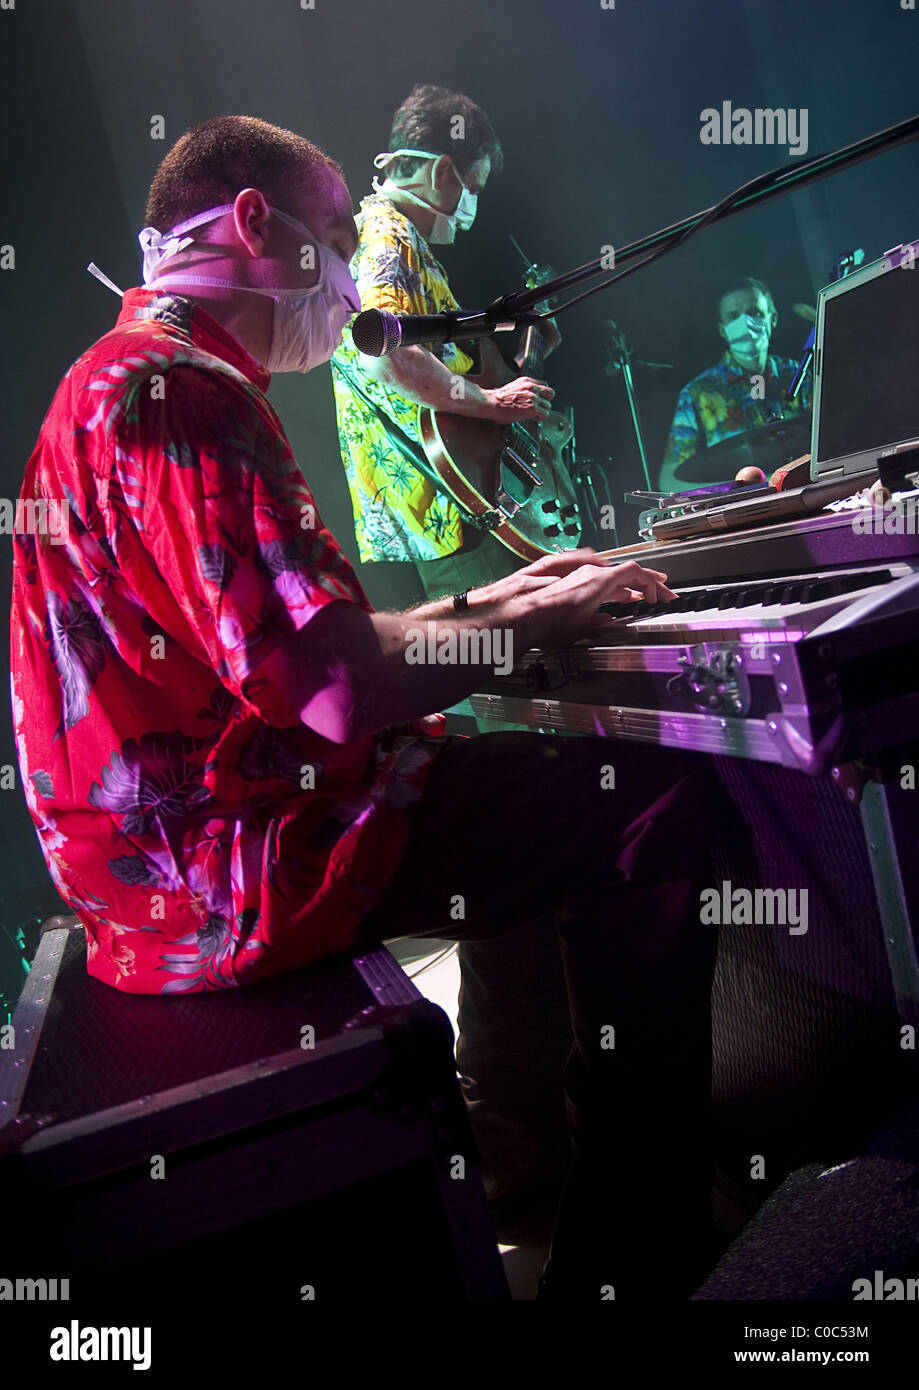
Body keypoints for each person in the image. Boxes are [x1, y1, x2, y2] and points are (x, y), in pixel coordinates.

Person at [10, 114, 728, 1299]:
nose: (351, 269)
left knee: (496, 778)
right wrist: (531, 626)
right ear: (253, 223)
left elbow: (291, 650)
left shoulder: (124, 378)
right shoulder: (183, 394)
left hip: (151, 871)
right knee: (646, 804)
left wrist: (500, 593)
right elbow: (338, 691)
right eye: (339, 234)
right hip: (221, 871)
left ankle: (518, 1155)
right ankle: (642, 1255)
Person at [330, 83, 562, 602]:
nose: (471, 203)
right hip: (444, 503)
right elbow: (384, 355)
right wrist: (493, 401)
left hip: (458, 499)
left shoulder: (405, 242)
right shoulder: (385, 237)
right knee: (501, 668)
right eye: (472, 186)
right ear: (441, 172)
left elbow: (444, 361)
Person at [658, 276, 812, 492]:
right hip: (741, 512)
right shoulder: (697, 394)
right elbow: (670, 482)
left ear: (773, 318)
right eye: (734, 316)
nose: (745, 323)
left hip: (806, 494)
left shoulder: (800, 375)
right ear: (722, 330)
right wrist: (736, 490)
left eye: (755, 313)